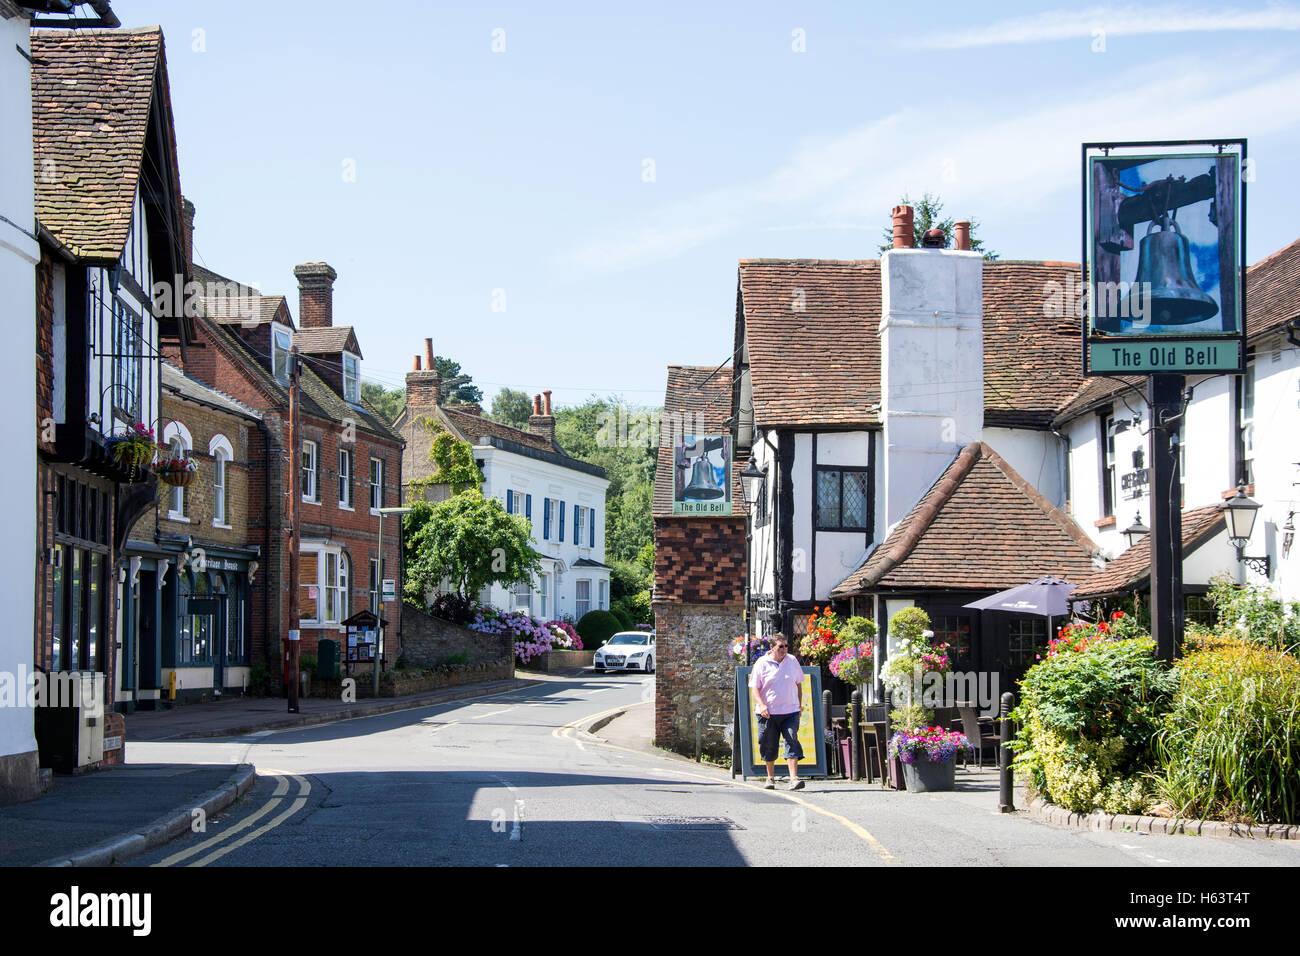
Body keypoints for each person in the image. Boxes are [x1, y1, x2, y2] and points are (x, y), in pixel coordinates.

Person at [748, 635, 805, 790]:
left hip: (790, 711)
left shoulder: (792, 661)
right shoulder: (762, 663)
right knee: (768, 744)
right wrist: (762, 705)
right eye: (780, 646)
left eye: (786, 646)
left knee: (792, 740)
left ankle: (794, 779)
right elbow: (754, 688)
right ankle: (770, 778)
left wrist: (799, 705)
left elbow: (798, 684)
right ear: (772, 647)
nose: (784, 650)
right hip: (768, 712)